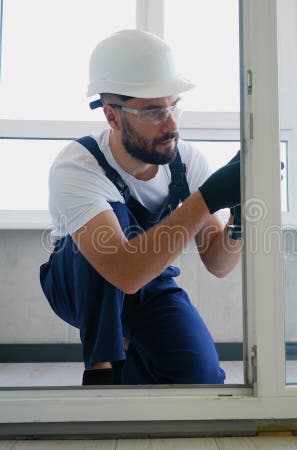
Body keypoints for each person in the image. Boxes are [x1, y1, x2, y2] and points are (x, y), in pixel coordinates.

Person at [39, 29, 242, 385]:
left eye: (174, 105)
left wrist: (240, 217)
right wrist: (207, 197)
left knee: (200, 377)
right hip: (79, 282)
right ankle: (101, 369)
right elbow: (124, 272)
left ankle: (134, 364)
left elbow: (218, 263)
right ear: (112, 116)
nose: (172, 124)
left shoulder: (186, 162)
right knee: (109, 227)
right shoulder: (78, 165)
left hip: (150, 283)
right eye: (153, 111)